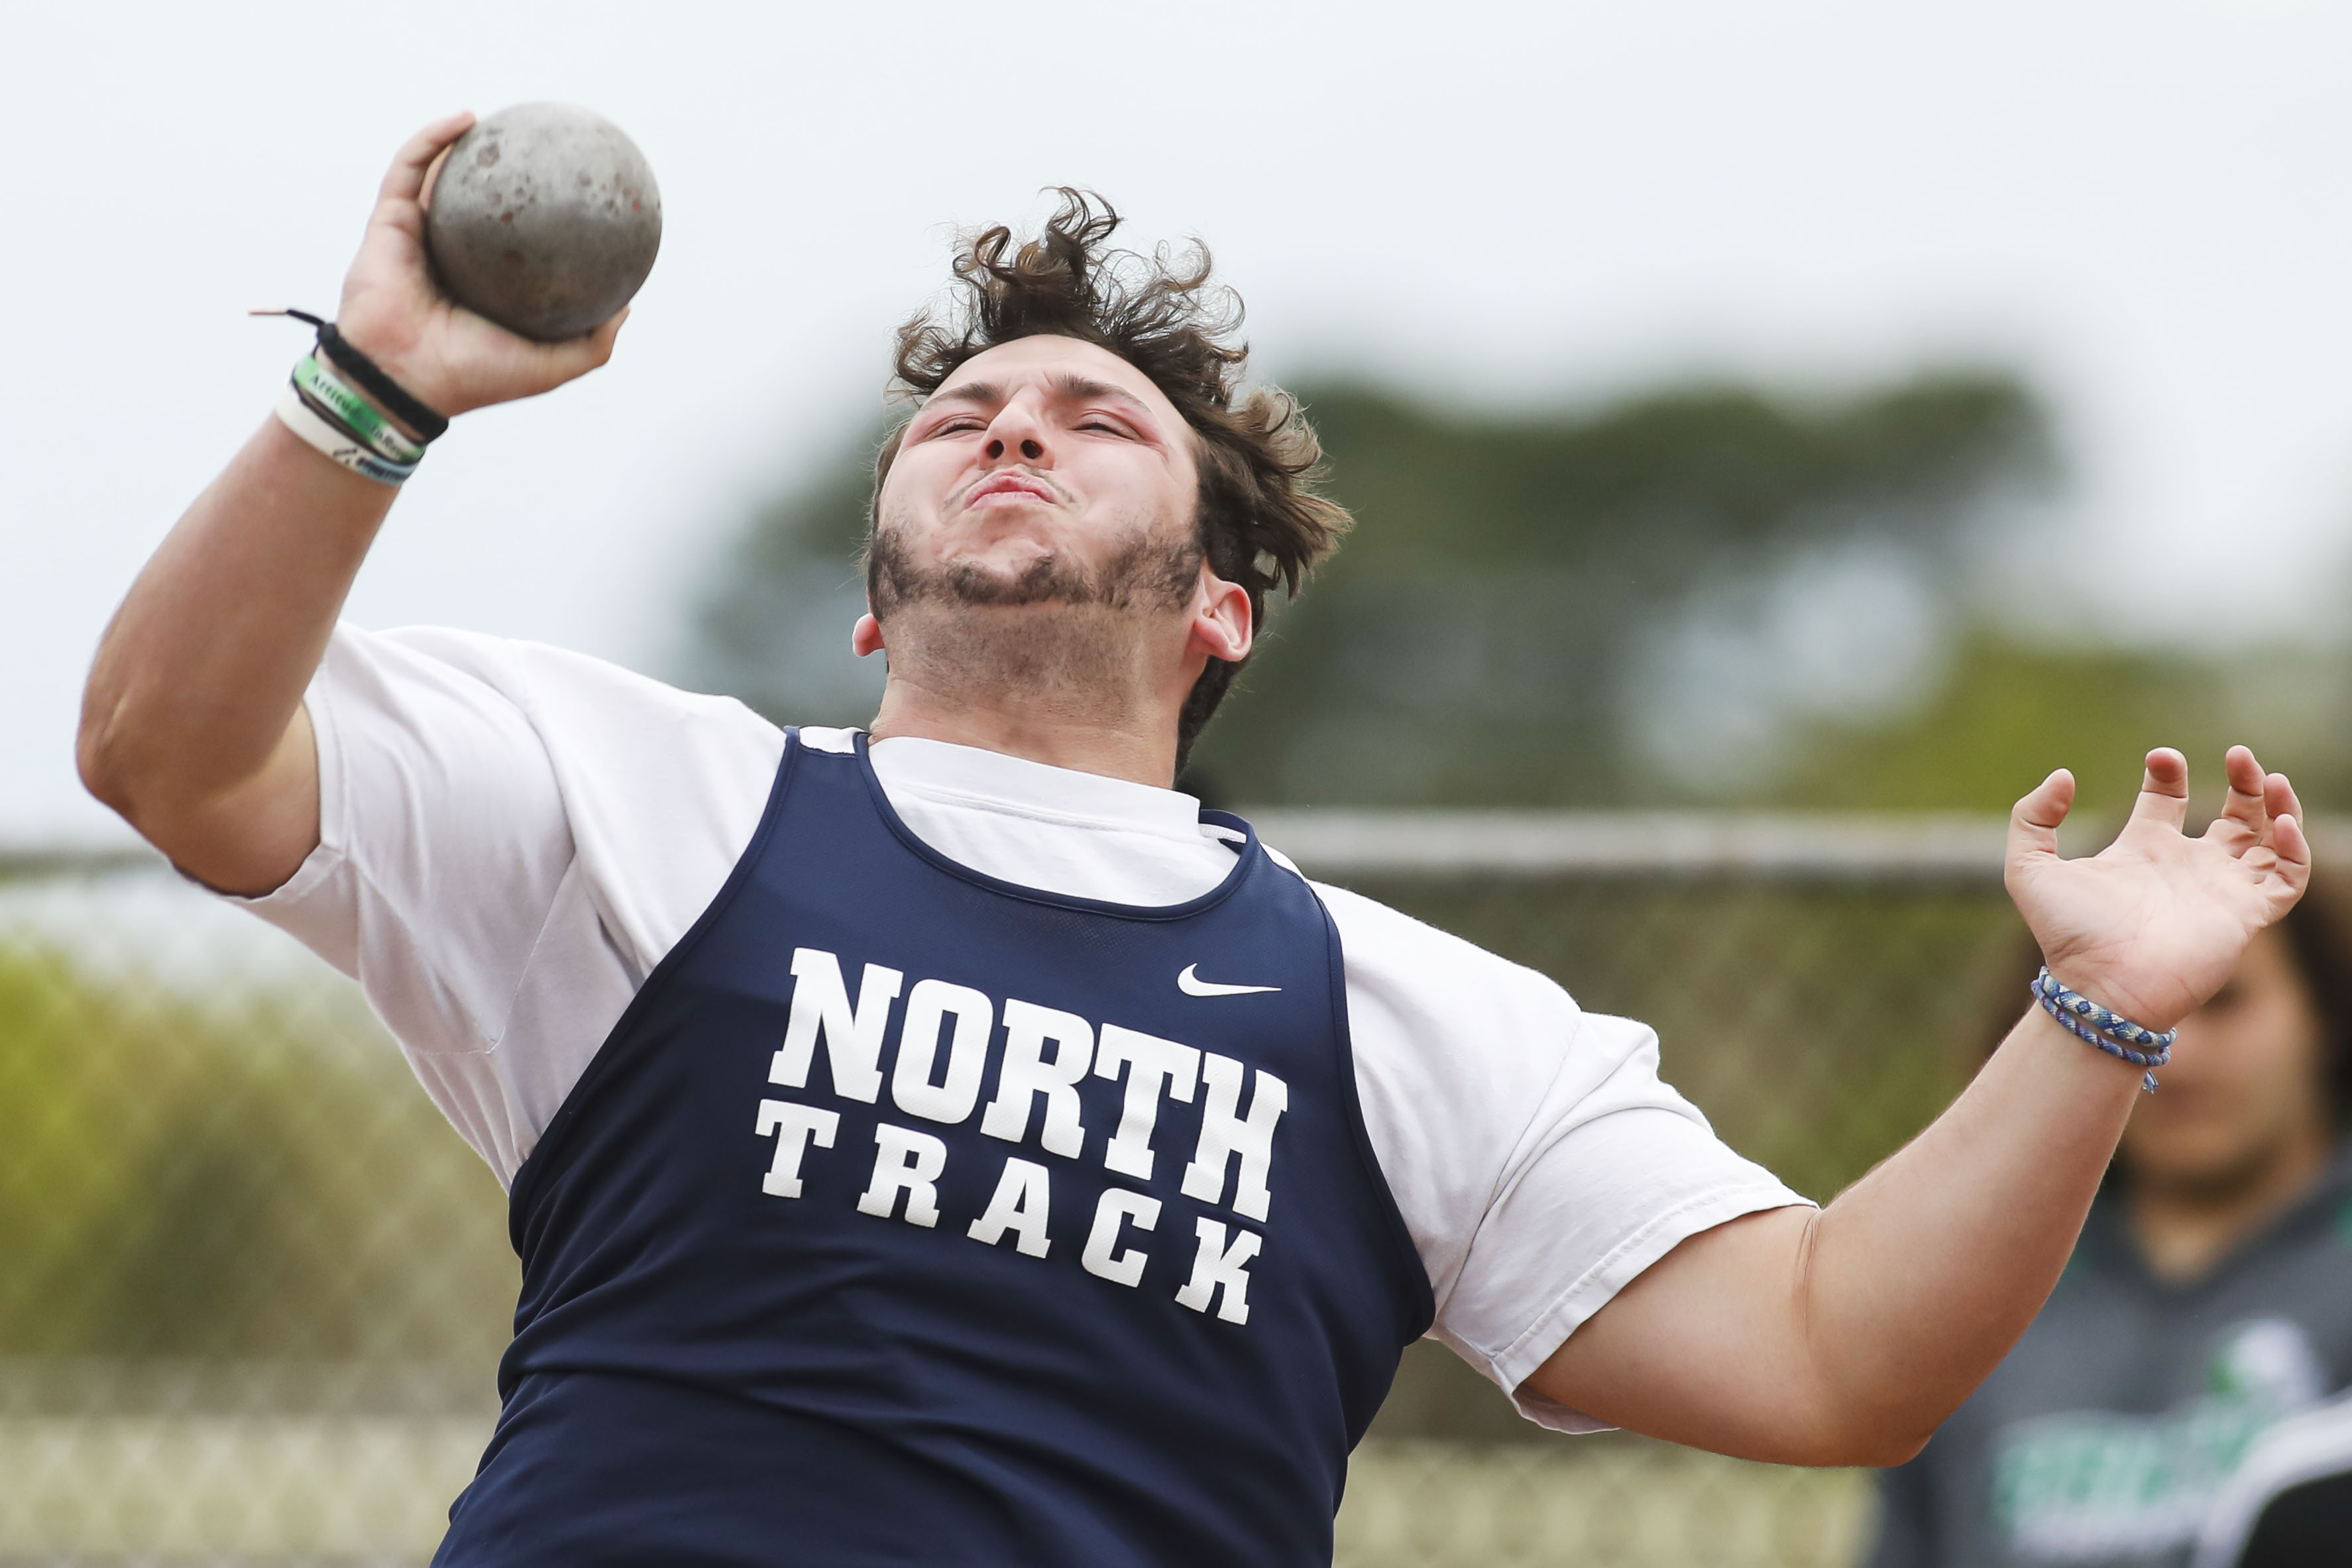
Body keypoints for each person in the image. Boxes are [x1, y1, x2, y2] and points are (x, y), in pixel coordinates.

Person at [75, 112, 2312, 1567]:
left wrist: (2092, 1010)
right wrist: (366, 393)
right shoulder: (638, 802)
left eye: (1089, 414)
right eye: (958, 414)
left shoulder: (1404, 1009)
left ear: (1216, 605)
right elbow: (174, 755)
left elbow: (1833, 1352)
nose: (1008, 426)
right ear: (874, 588)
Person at [1868, 897, 2352, 1568]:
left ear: (2324, 1013)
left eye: (2225, 1002)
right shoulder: (1971, 1286)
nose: (2175, 1057)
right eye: (2134, 1012)